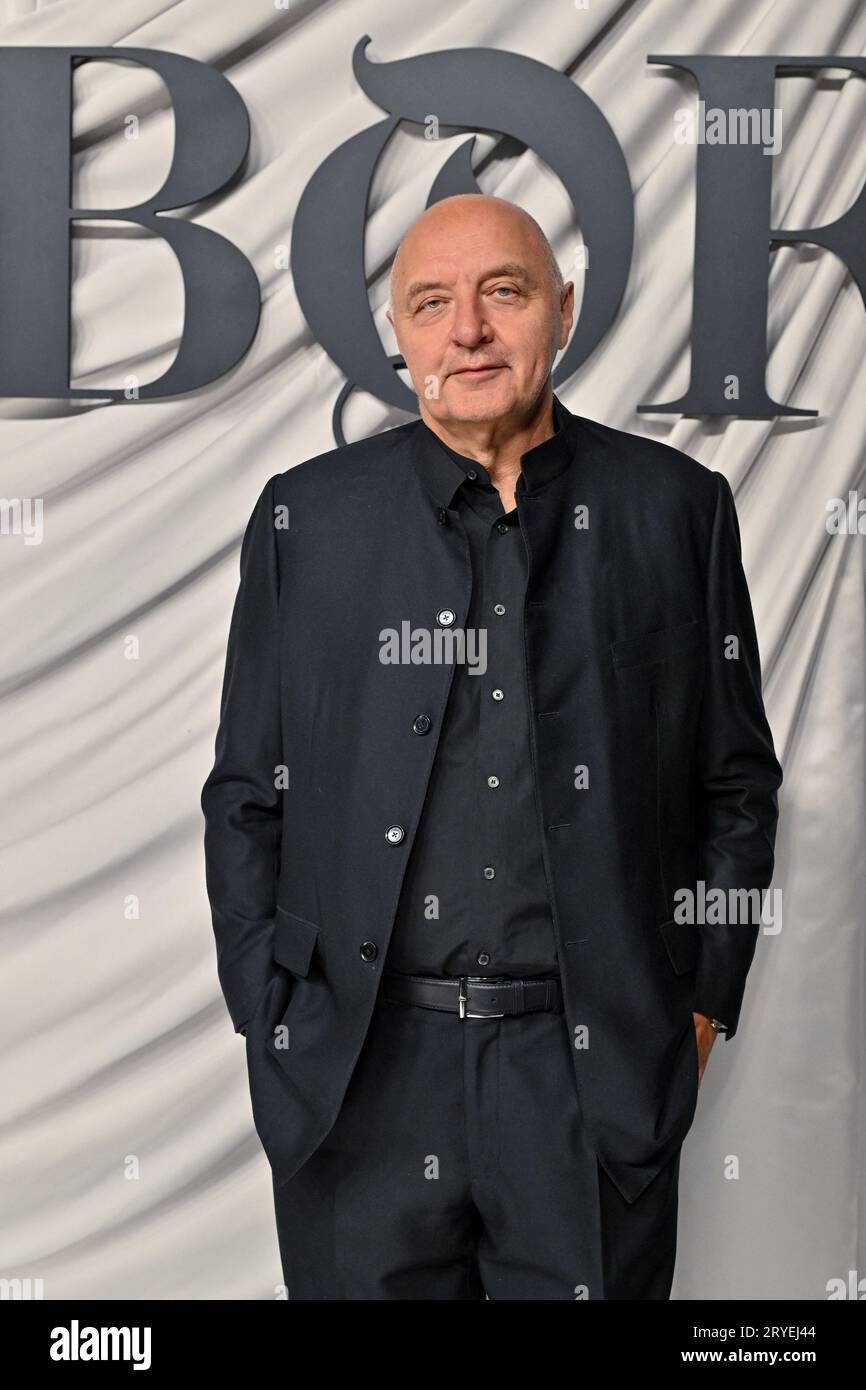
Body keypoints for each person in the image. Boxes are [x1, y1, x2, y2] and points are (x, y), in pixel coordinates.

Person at [200, 193, 782, 1299]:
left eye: (500, 293)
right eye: (431, 303)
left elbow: (734, 787)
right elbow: (244, 794)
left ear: (560, 313)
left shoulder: (675, 508)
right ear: (400, 338)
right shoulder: (305, 521)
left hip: (588, 1083)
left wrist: (697, 1008)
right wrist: (270, 1014)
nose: (466, 329)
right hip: (361, 1082)